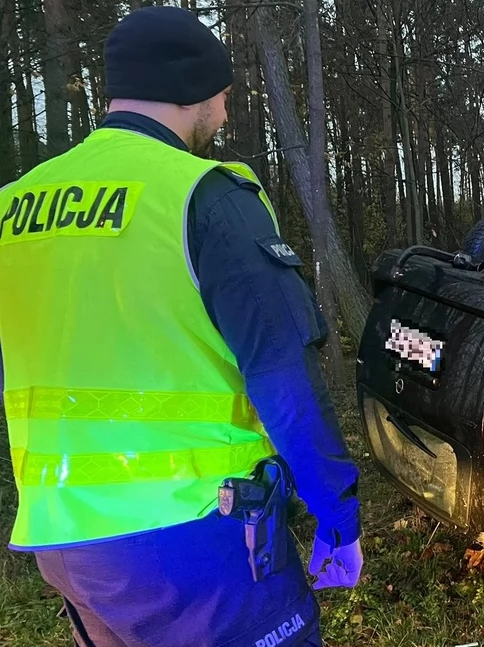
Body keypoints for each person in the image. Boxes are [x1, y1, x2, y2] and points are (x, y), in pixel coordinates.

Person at [0, 6, 363, 646]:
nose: (224, 115)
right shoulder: (207, 197)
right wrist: (337, 515)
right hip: (196, 542)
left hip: (64, 542)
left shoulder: (15, 207)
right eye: (223, 97)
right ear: (193, 90)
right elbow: (283, 373)